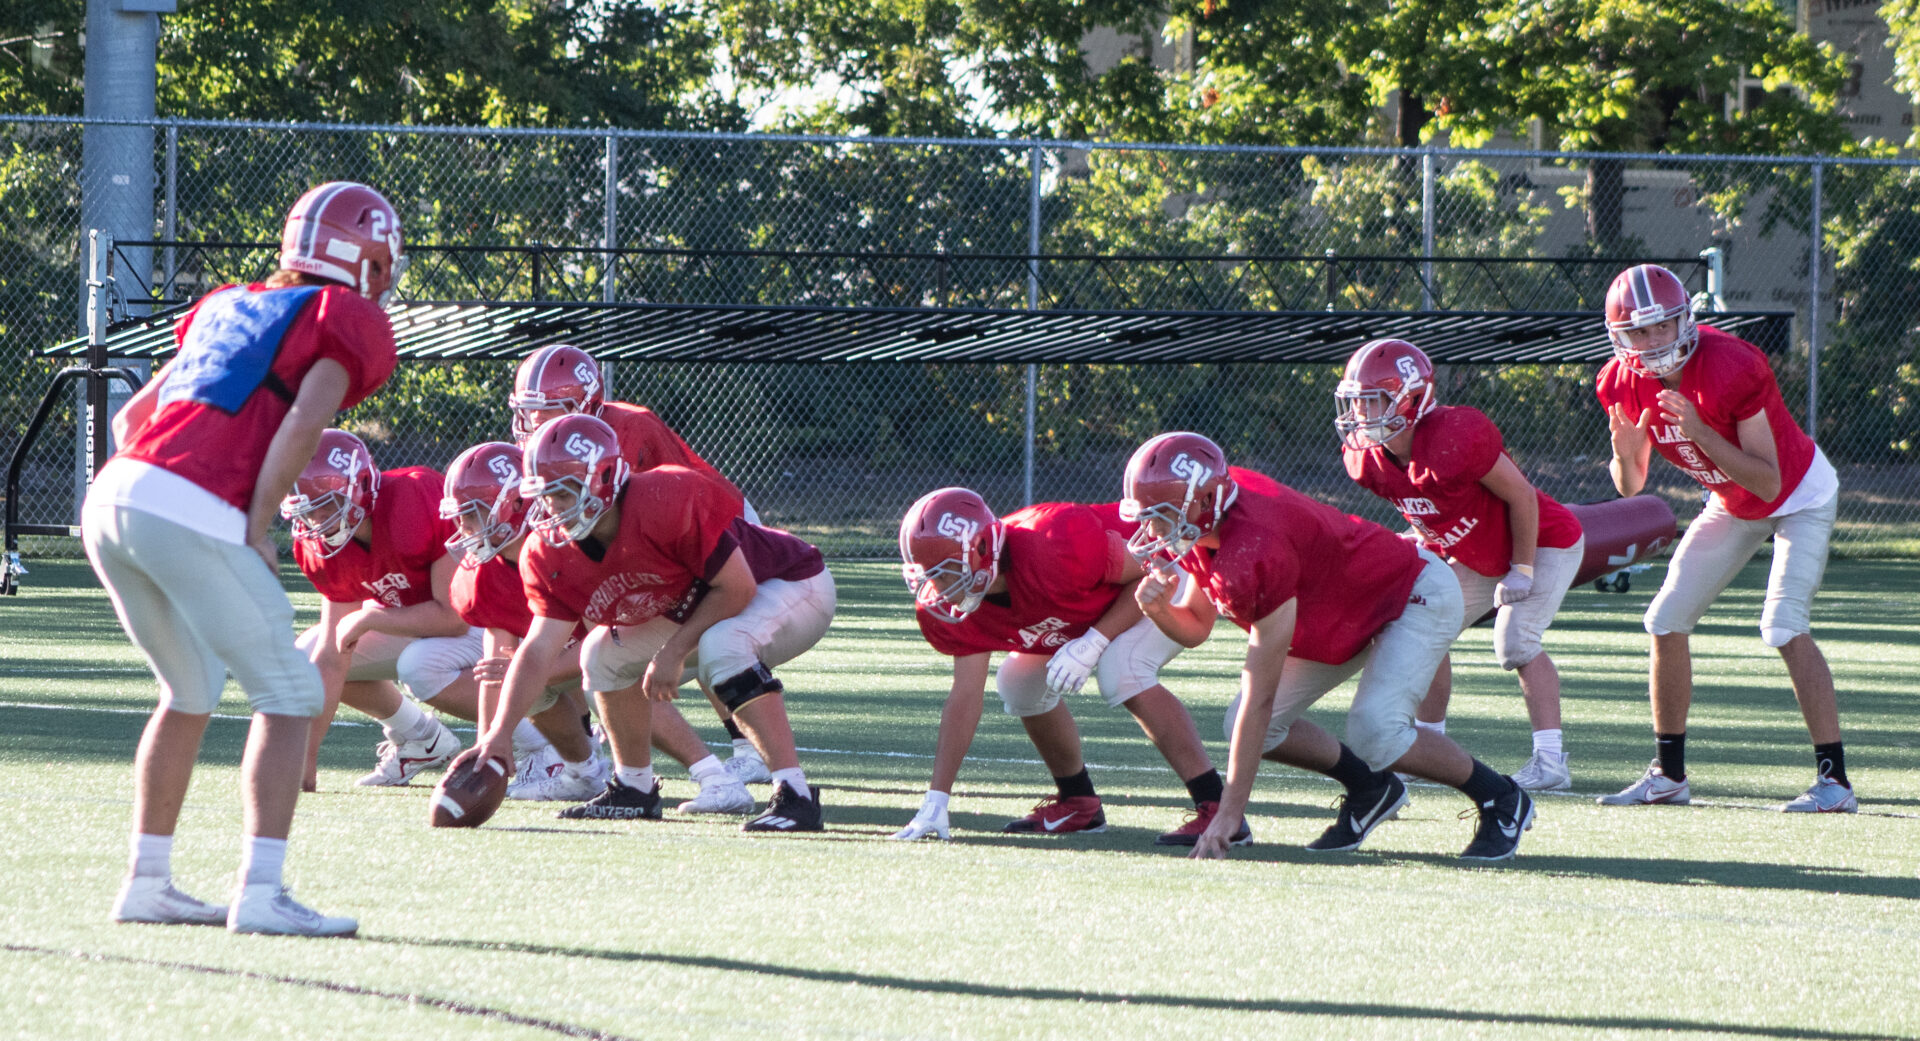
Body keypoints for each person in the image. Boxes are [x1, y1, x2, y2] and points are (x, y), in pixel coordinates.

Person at [82, 180, 403, 936]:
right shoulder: (343, 317)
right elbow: (300, 427)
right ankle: (261, 891)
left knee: (190, 687)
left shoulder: (228, 304)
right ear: (368, 260)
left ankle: (147, 881)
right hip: (188, 504)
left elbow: (133, 416)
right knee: (291, 692)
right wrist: (251, 526)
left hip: (113, 495)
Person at [1123, 432, 1536, 862]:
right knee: (1245, 728)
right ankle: (1370, 788)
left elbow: (1260, 697)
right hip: (1342, 610)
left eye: (1162, 515)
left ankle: (1502, 798)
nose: (1151, 530)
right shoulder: (1211, 523)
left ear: (1207, 501)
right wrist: (1159, 611)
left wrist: (1229, 813)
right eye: (1148, 515)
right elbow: (1196, 628)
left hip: (1409, 592)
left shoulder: (1254, 548)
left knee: (1375, 730)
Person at [449, 414, 833, 831]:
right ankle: (635, 786)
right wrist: (499, 733)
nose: (552, 510)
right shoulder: (547, 553)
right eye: (544, 497)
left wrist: (673, 651)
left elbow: (735, 589)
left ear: (606, 477)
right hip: (695, 603)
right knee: (601, 655)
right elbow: (539, 649)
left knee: (725, 644)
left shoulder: (665, 497)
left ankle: (794, 794)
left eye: (562, 493)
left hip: (787, 583)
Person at [1594, 264, 1853, 812]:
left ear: (1685, 319)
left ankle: (1835, 783)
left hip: (1799, 495)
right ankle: (1668, 776)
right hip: (1732, 501)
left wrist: (1702, 432)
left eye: (1663, 326)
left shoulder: (1732, 364)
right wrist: (1623, 450)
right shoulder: (1619, 381)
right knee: (1664, 619)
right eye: (1639, 332)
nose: (1654, 341)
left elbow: (1768, 478)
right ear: (1619, 337)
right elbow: (1630, 484)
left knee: (1782, 626)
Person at [890, 487, 1241, 846]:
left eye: (945, 573)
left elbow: (1149, 573)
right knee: (1018, 683)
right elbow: (965, 697)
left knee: (1123, 669)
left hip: (1163, 572)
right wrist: (937, 799)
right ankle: (1078, 802)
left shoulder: (1052, 541)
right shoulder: (952, 608)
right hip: (1091, 605)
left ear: (981, 551)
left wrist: (1096, 641)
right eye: (928, 575)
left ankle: (1217, 805)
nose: (937, 589)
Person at [508, 344, 769, 783]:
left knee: (700, 623)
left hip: (716, 525)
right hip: (655, 533)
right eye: (529, 411)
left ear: (586, 402)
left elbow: (642, 510)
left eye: (549, 410)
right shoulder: (556, 446)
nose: (535, 423)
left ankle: (748, 747)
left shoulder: (624, 429)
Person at [1336, 338, 1587, 791]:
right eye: (1357, 403)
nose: (1362, 415)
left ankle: (1551, 762)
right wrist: (1429, 539)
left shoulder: (1455, 436)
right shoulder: (1367, 458)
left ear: (1412, 398)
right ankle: (1427, 750)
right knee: (1423, 627)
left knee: (1516, 642)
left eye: (1373, 402)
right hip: (1475, 551)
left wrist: (1523, 568)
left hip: (1542, 540)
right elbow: (1424, 503)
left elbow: (1522, 497)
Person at [282, 430, 556, 790]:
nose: (315, 521)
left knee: (421, 665)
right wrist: (305, 760)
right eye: (306, 510)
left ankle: (545, 747)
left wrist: (371, 617)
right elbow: (332, 656)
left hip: (485, 618)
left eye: (323, 505)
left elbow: (454, 618)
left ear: (360, 487)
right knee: (310, 656)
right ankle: (421, 738)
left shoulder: (412, 499)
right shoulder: (321, 546)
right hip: (415, 620)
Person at [439, 441, 614, 803]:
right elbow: (494, 669)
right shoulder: (484, 573)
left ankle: (685, 774)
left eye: (474, 515)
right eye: (460, 518)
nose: (465, 528)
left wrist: (535, 673)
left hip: (628, 640)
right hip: (569, 649)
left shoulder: (564, 547)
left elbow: (613, 633)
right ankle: (584, 772)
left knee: (607, 667)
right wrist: (488, 743)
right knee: (520, 674)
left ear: (516, 504)